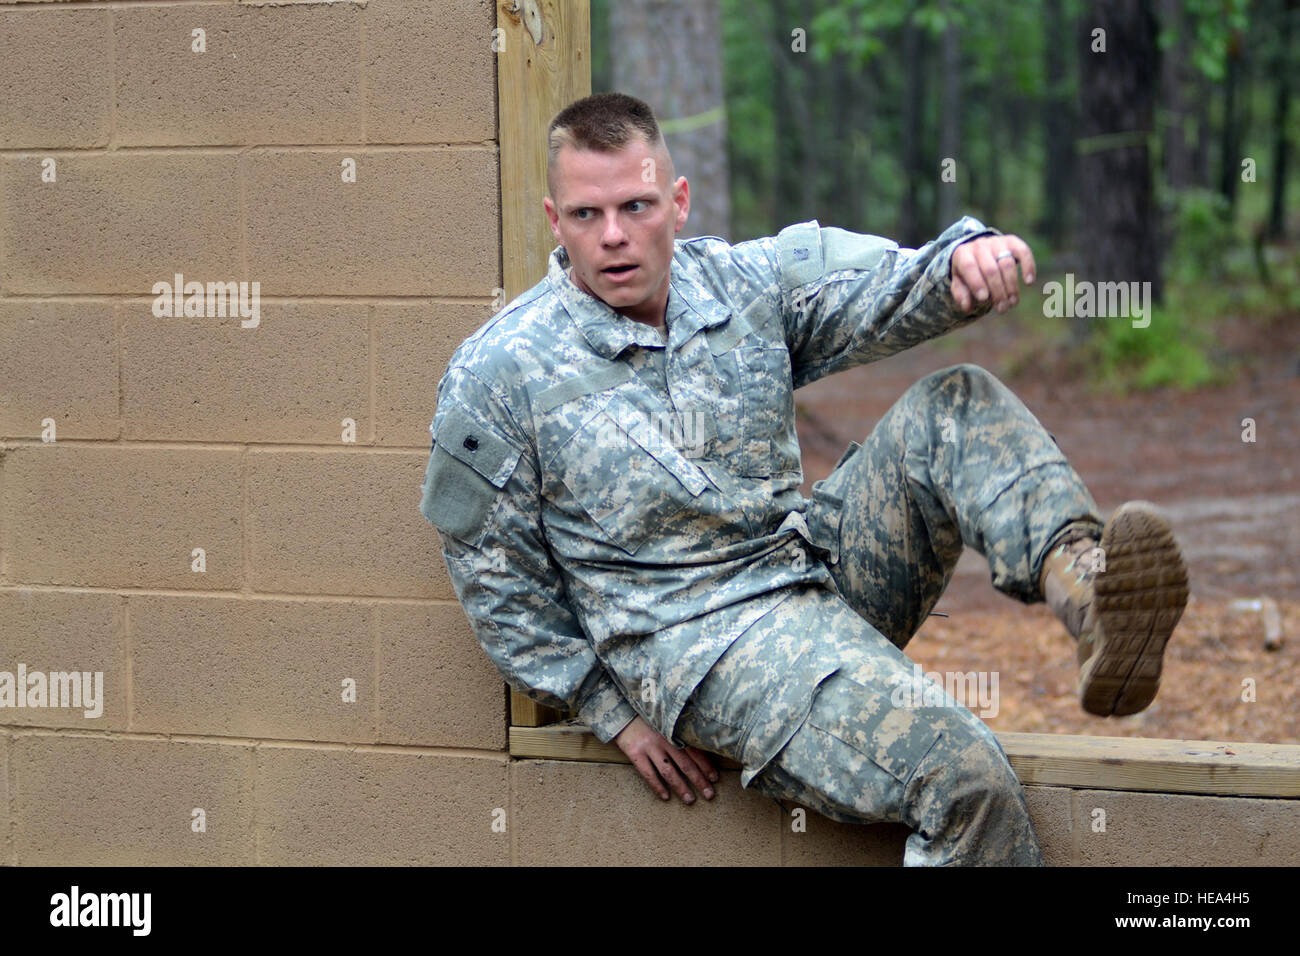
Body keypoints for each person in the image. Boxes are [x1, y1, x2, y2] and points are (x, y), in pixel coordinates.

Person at [418, 92, 1189, 866]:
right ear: (556, 221)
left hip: (807, 575)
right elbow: (494, 576)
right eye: (587, 215)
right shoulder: (502, 369)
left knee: (955, 403)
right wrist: (606, 706)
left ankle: (1086, 595)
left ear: (677, 203)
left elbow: (874, 288)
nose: (613, 236)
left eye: (636, 206)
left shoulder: (739, 285)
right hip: (697, 646)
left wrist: (959, 262)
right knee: (965, 782)